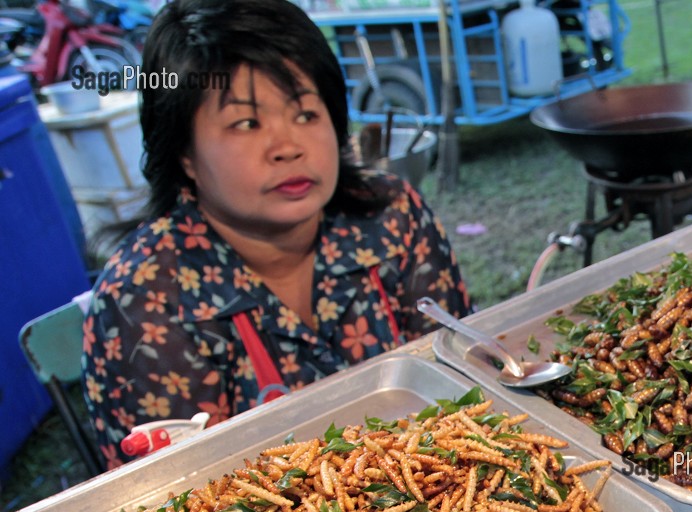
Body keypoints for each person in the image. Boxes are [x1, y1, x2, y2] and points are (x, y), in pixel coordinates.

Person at [81, 0, 472, 469]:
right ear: (184, 154)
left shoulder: (392, 217)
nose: (288, 147)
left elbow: (464, 383)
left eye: (305, 114)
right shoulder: (144, 302)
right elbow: (174, 497)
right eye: (247, 123)